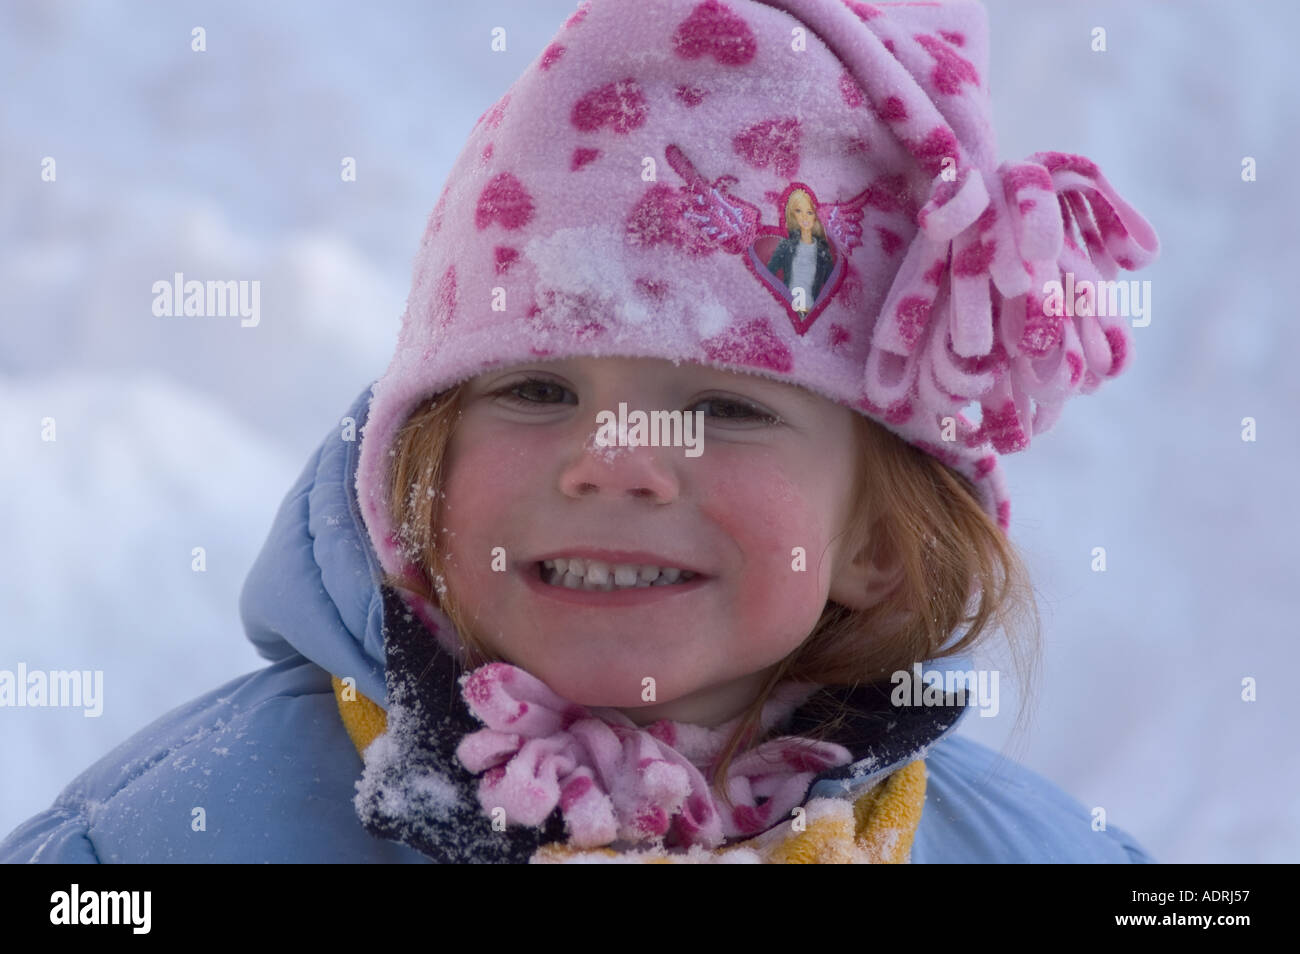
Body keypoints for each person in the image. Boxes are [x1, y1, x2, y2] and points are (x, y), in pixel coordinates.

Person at [1, 0, 1159, 863]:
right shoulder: (156, 847)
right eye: (536, 391)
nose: (614, 459)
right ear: (420, 464)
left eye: (726, 408)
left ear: (878, 541)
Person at [765, 188, 834, 315]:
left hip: (811, 313)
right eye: (798, 211)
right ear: (792, 214)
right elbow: (768, 275)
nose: (804, 217)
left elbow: (833, 285)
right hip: (785, 312)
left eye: (809, 212)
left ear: (816, 216)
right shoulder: (786, 245)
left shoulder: (823, 252)